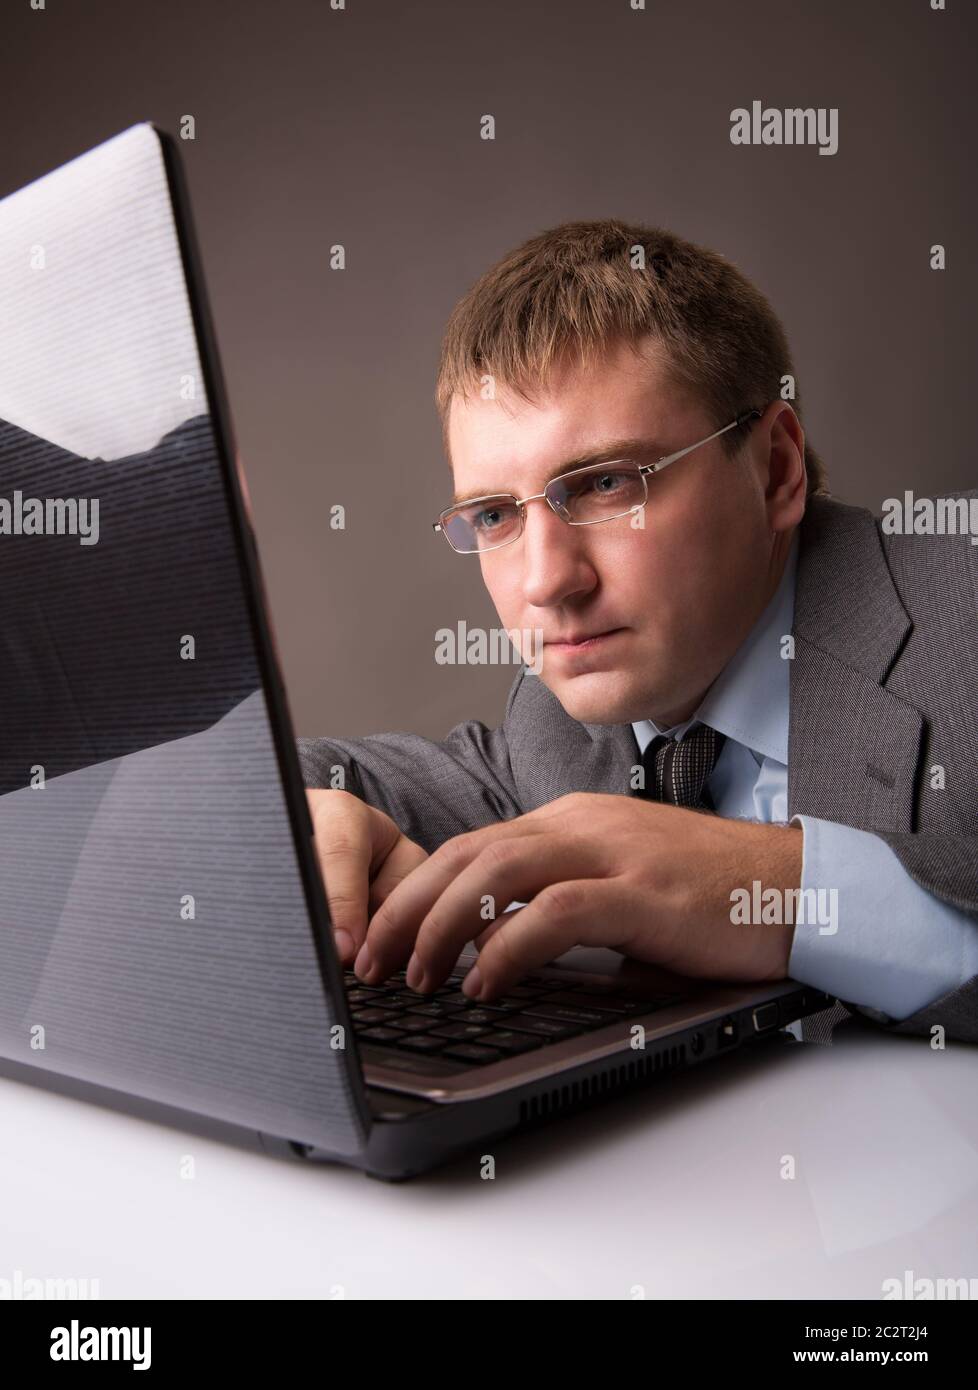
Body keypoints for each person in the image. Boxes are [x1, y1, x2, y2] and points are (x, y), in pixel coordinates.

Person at [297, 219, 978, 1044]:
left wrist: (784, 894)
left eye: (608, 483)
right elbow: (346, 779)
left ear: (776, 470)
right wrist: (304, 811)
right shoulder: (557, 724)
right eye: (493, 514)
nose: (548, 583)